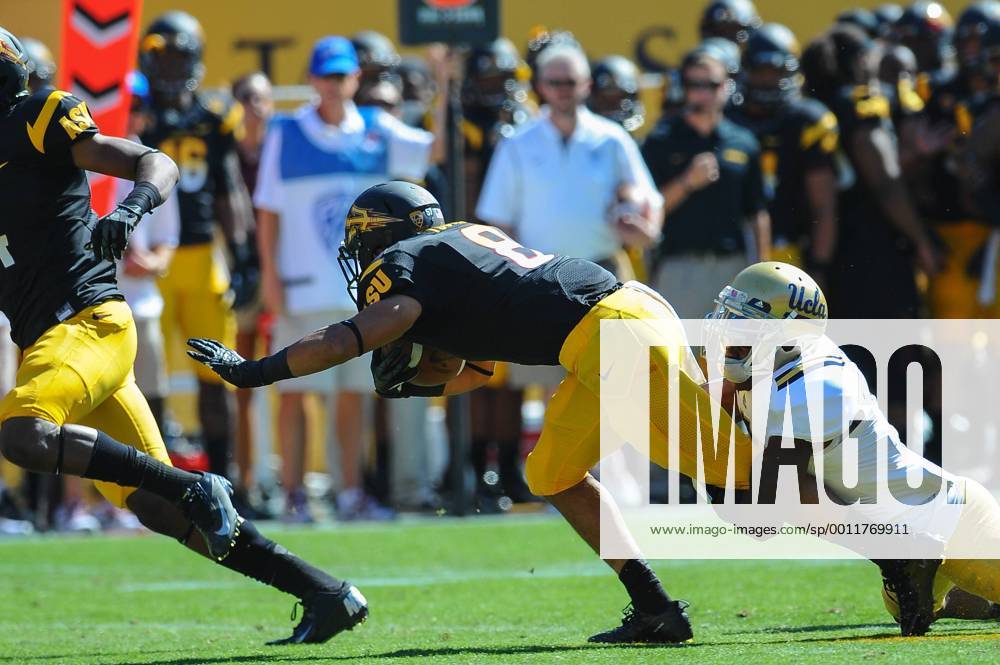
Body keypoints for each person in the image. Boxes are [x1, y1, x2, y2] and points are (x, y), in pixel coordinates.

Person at [188, 180, 761, 644]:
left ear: (383, 234)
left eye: (363, 243)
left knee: (744, 476)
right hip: (608, 333)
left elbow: (346, 339)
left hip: (616, 338)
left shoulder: (407, 258)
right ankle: (654, 607)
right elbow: (478, 370)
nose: (362, 259)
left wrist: (255, 371)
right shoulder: (457, 246)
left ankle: (817, 466)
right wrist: (413, 389)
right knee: (551, 473)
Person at [0, 26, 367, 644]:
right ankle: (324, 593)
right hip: (51, 341)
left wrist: (130, 208)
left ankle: (197, 482)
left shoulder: (37, 119)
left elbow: (156, 161)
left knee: (23, 433)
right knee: (158, 507)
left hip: (87, 321)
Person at [709, 261, 1000, 636]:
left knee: (774, 490)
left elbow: (762, 518)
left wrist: (711, 474)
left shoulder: (810, 391)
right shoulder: (786, 359)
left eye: (745, 323)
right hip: (913, 532)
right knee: (920, 605)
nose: (729, 330)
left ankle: (903, 556)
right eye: (730, 315)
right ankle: (908, 561)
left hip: (952, 521)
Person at [254, 36, 445, 520]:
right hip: (300, 286)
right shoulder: (285, 132)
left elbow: (435, 151)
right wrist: (271, 275)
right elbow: (268, 211)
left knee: (352, 397)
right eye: (326, 76)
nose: (334, 85)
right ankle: (294, 496)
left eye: (342, 76)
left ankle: (350, 494)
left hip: (362, 288)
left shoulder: (378, 128)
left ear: (356, 79)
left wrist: (445, 81)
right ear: (311, 80)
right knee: (295, 392)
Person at [139, 11, 256, 482]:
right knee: (149, 380)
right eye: (162, 59)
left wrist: (243, 251)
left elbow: (229, 187)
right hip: (149, 260)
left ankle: (222, 479)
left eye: (178, 59)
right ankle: (156, 481)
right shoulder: (135, 113)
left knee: (216, 375)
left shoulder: (214, 114)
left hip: (203, 256)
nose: (170, 69)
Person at [642, 45, 770, 319]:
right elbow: (648, 211)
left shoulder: (743, 141)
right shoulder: (660, 141)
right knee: (678, 345)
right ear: (683, 88)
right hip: (679, 267)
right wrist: (686, 182)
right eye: (694, 85)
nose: (703, 93)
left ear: (726, 86)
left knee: (734, 345)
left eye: (711, 85)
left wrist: (762, 270)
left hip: (732, 267)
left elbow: (756, 212)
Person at [727, 23, 838, 285]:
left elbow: (823, 206)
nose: (767, 80)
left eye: (775, 72)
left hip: (787, 250)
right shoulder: (727, 118)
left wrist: (819, 266)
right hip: (730, 250)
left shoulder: (807, 121)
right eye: (760, 71)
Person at [231, 71, 274, 518]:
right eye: (246, 98)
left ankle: (283, 479)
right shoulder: (228, 151)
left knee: (296, 379)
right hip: (243, 275)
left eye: (260, 98)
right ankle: (245, 480)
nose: (254, 107)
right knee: (242, 382)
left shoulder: (281, 149)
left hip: (281, 275)